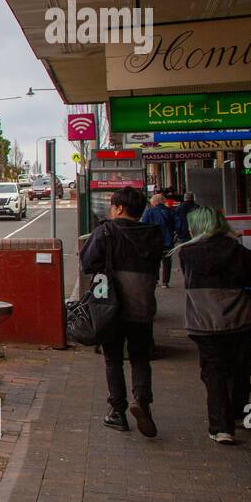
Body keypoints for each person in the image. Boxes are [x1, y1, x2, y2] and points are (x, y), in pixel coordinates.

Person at [175, 206, 251, 445]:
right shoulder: (237, 252)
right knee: (240, 367)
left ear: (197, 227)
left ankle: (222, 428)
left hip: (203, 322)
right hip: (241, 320)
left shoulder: (186, 253)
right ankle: (239, 411)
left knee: (214, 372)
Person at [80, 186, 165, 436]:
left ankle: (117, 411)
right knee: (140, 358)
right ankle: (142, 401)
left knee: (113, 359)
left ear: (119, 208)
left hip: (111, 307)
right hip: (142, 304)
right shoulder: (153, 234)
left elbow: (87, 262)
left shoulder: (106, 231)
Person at [140, 192, 175, 287]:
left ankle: (155, 279)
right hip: (168, 240)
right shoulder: (170, 211)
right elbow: (175, 225)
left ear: (154, 202)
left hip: (153, 241)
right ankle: (165, 282)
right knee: (167, 262)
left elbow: (144, 225)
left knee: (154, 261)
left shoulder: (149, 212)